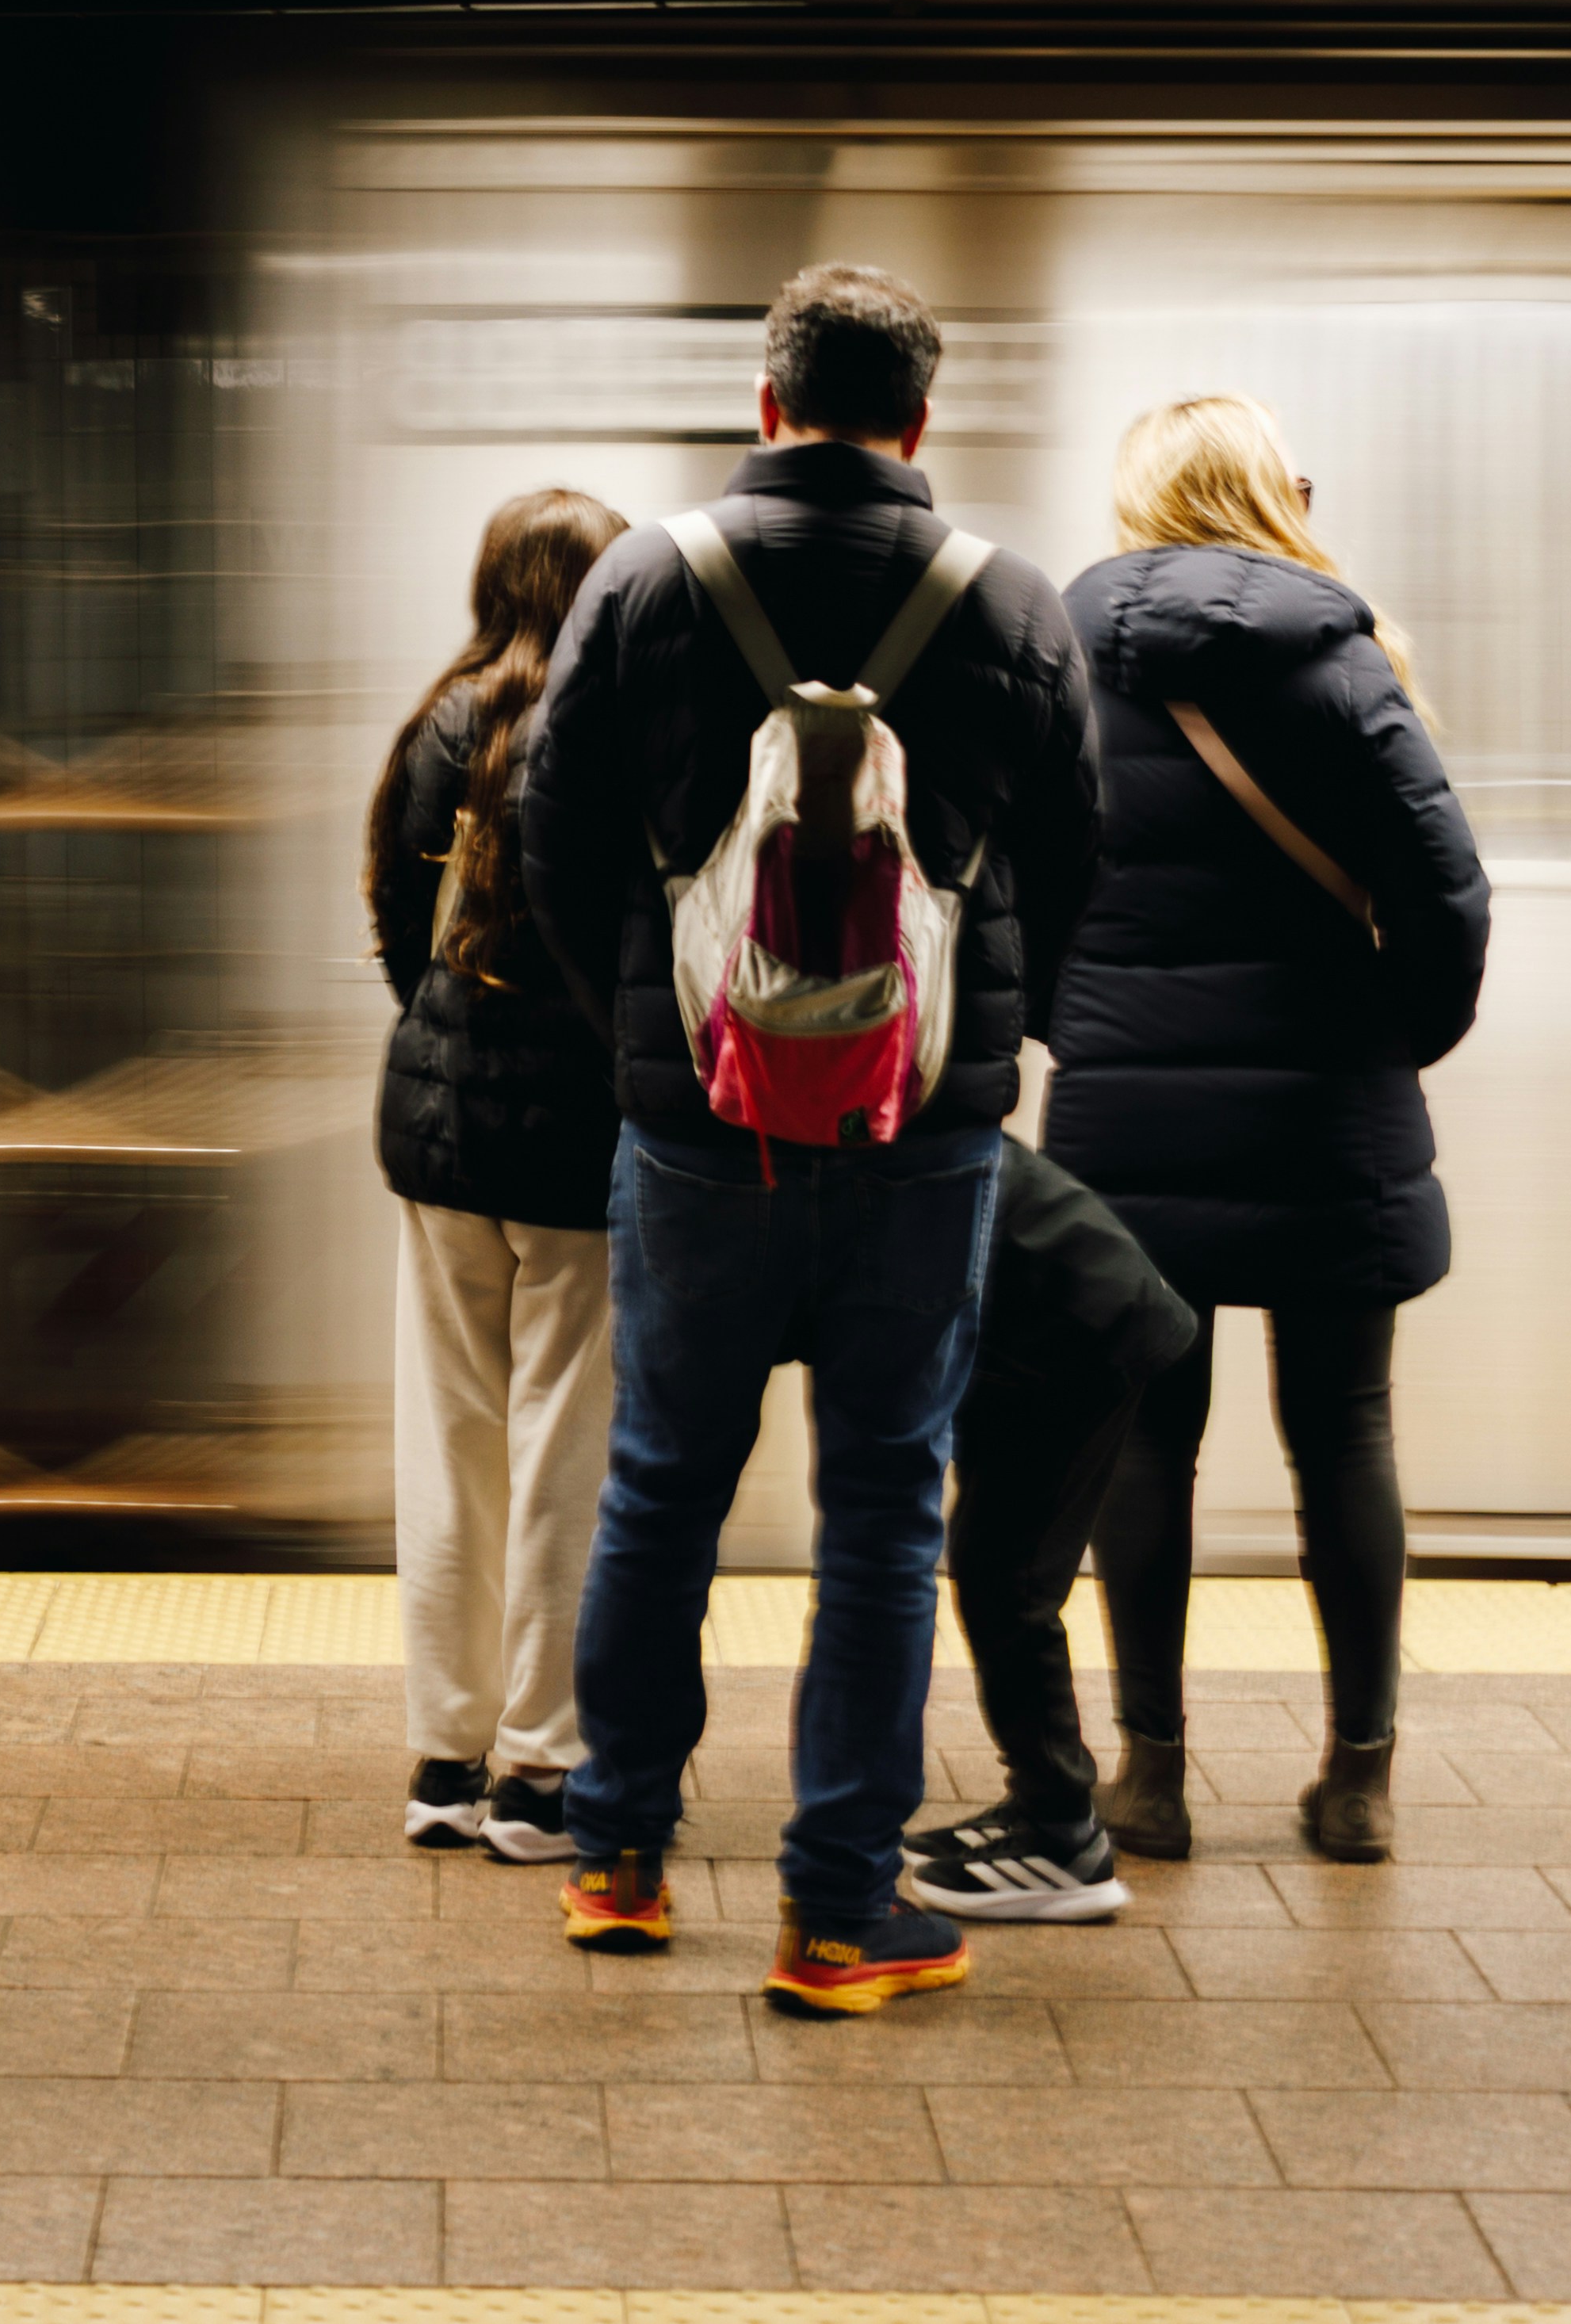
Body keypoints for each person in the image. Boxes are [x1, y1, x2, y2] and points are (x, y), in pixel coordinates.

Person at [516, 264, 1103, 2017]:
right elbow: (1075, 858)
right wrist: (990, 1037)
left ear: (765, 405)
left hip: (693, 1129)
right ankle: (837, 1911)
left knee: (657, 1484)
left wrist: (642, 1023)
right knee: (876, 1514)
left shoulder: (641, 577)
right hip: (921, 1134)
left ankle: (617, 1856)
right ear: (914, 420)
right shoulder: (1005, 598)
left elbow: (552, 837)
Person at [1045, 396, 1489, 1866]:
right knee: (1343, 1433)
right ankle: (1357, 1778)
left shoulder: (1060, 661)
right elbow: (1449, 894)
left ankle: (1150, 1776)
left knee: (1145, 1444)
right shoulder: (1348, 667)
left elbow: (1007, 882)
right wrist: (1391, 1036)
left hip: (1125, 1124)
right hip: (1325, 1107)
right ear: (1275, 494)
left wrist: (1090, 1024)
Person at [366, 487, 630, 1863]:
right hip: (585, 1143)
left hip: (442, 1134)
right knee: (564, 1450)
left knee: (452, 1446)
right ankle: (543, 1768)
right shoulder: (628, 725)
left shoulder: (439, 720)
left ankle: (445, 1760)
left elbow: (397, 933)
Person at [899, 1140, 1202, 1924]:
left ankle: (1060, 1833)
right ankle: (1041, 1804)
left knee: (1007, 1574)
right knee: (996, 1565)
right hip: (1055, 1302)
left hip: (1071, 1323)